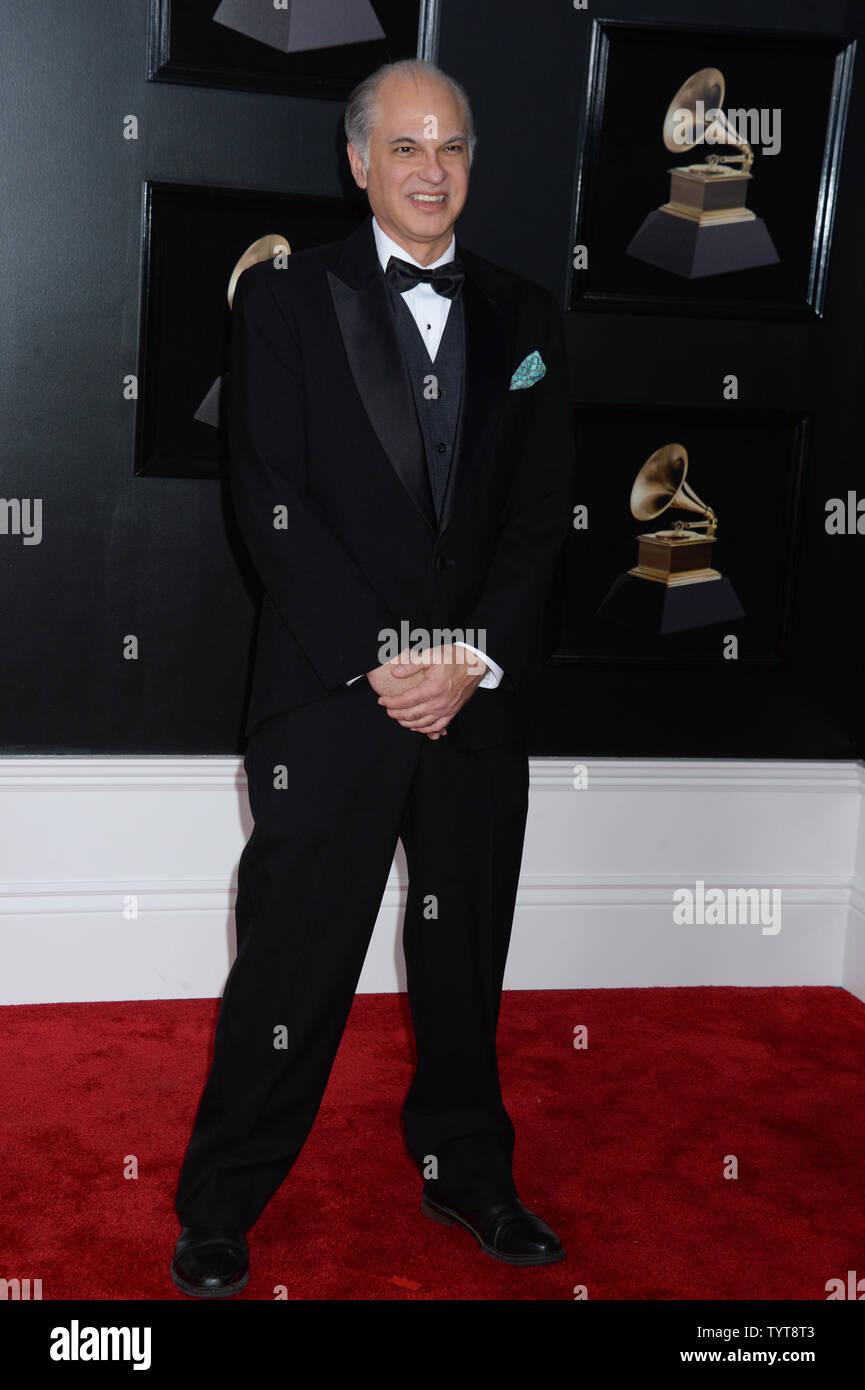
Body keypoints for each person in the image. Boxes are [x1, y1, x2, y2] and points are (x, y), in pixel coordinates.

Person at [170, 57, 574, 1298]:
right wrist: (392, 660)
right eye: (404, 147)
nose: (430, 169)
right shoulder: (286, 301)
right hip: (333, 692)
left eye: (450, 146)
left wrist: (473, 656)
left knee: (464, 954)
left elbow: (537, 521)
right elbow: (269, 502)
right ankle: (224, 1196)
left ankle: (468, 1168)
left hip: (477, 691)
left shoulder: (528, 315)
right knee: (294, 955)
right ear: (358, 163)